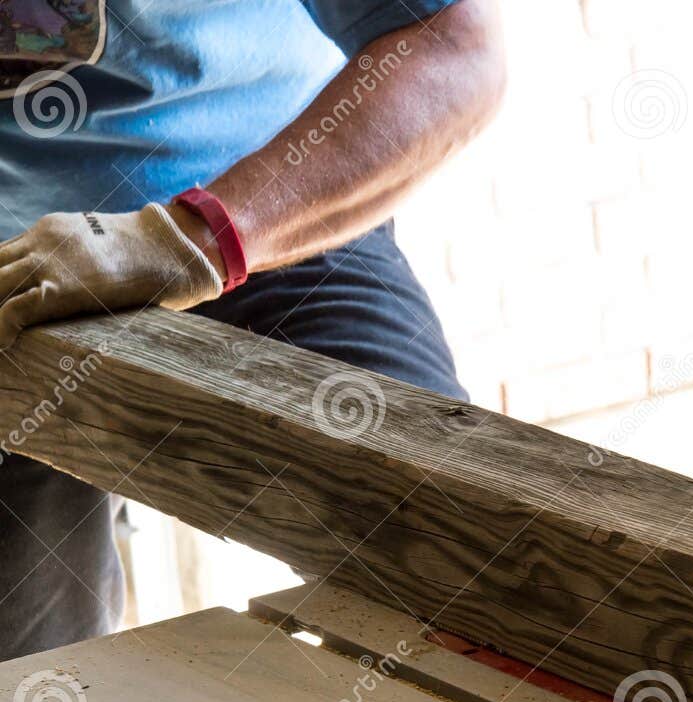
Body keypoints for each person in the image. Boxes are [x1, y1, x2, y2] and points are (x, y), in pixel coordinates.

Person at [0, 0, 505, 660]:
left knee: (456, 558)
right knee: (25, 679)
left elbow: (458, 48)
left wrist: (196, 240)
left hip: (266, 213)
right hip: (19, 267)